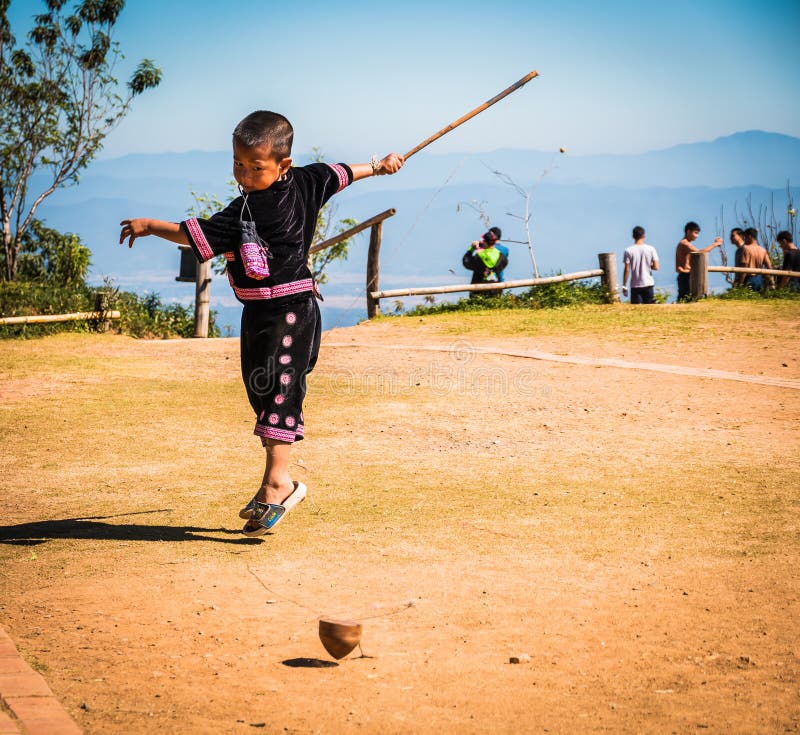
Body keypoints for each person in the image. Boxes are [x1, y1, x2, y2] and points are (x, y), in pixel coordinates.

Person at [119, 110, 404, 536]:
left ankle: (278, 483)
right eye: (238, 163)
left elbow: (188, 232)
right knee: (260, 389)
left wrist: (151, 226)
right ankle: (276, 478)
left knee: (281, 390)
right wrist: (377, 167)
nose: (245, 174)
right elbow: (342, 172)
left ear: (283, 164)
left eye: (256, 167)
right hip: (257, 313)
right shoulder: (244, 208)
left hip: (293, 310)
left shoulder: (304, 183)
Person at [674, 221, 722, 302]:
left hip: (686, 275)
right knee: (685, 299)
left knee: (687, 299)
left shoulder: (686, 243)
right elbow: (700, 253)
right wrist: (715, 244)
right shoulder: (684, 243)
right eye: (695, 233)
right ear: (688, 231)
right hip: (685, 275)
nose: (697, 236)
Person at [462, 228, 509, 297]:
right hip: (496, 289)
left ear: (485, 242)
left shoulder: (480, 255)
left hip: (479, 291)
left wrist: (471, 249)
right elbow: (504, 264)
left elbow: (466, 262)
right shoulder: (501, 256)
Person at [621, 225, 659, 304]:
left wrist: (624, 285)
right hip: (648, 283)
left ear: (633, 236)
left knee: (636, 310)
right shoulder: (651, 249)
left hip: (635, 285)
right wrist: (648, 265)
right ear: (644, 235)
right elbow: (656, 267)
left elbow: (627, 269)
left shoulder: (628, 250)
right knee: (649, 309)